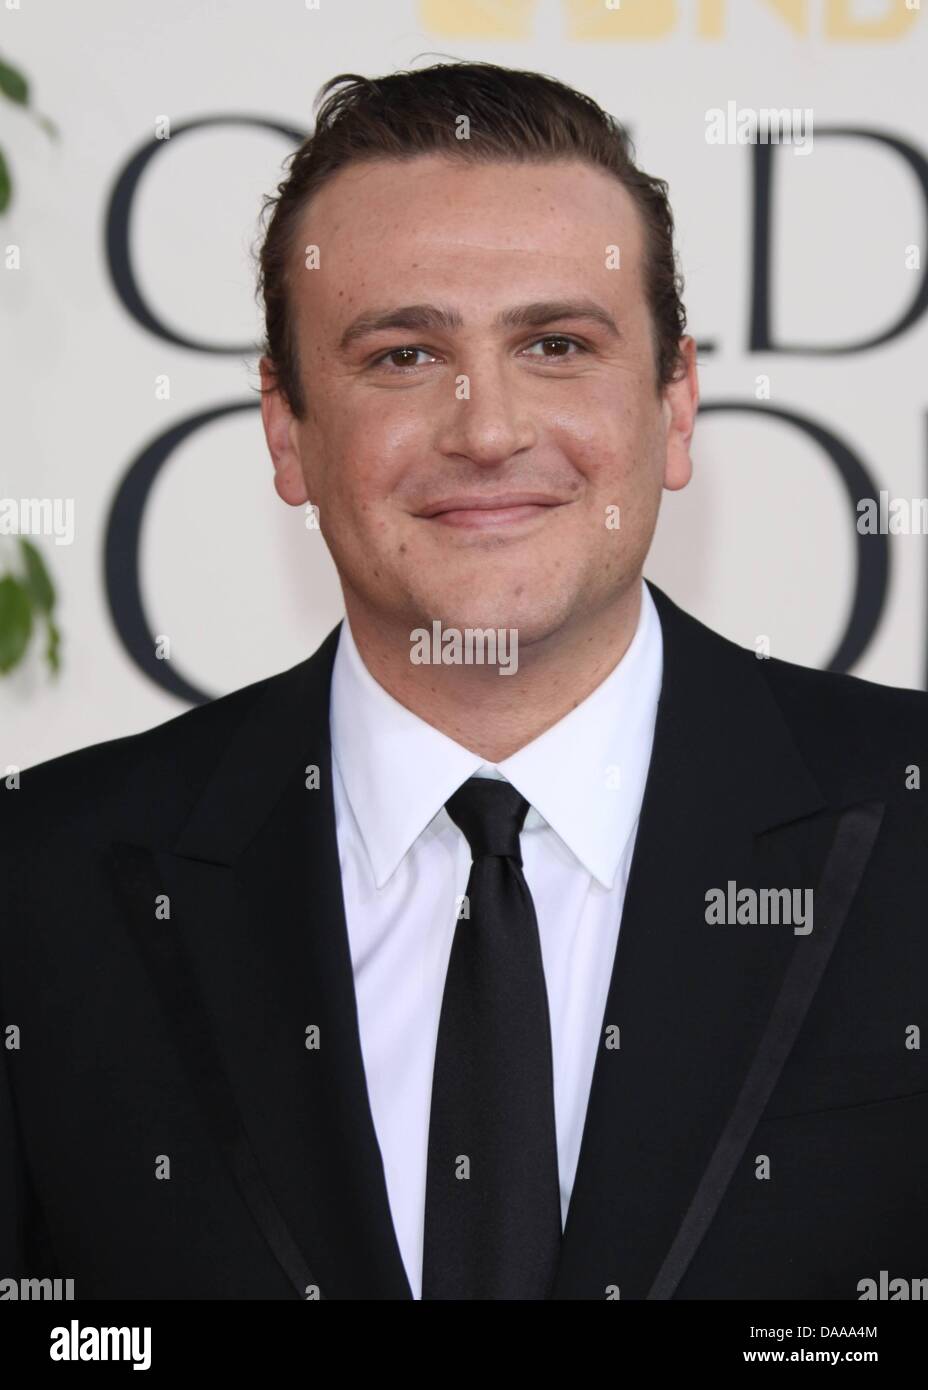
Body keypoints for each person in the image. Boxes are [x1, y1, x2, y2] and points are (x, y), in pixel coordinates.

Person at [2, 61, 926, 1302]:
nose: (485, 428)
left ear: (676, 401)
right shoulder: (42, 886)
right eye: (400, 355)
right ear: (287, 429)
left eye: (555, 344)